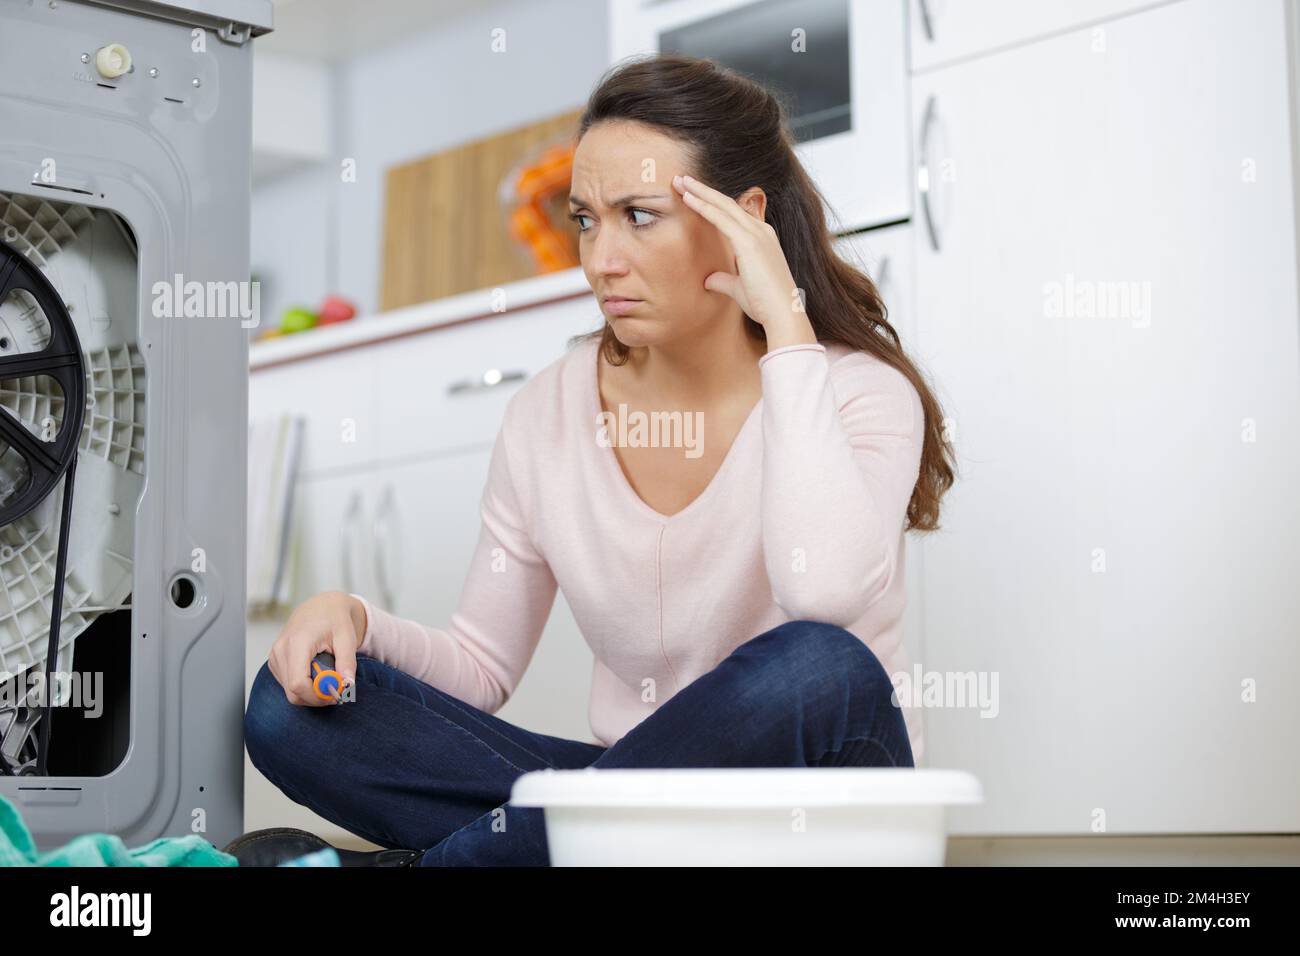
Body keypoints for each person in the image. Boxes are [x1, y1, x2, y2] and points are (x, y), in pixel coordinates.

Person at [240, 53, 956, 867]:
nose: (601, 259)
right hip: (636, 802)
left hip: (821, 813)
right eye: (587, 219)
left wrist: (787, 331)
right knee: (285, 709)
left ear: (742, 221)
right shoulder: (546, 412)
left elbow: (821, 591)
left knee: (821, 666)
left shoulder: (854, 392)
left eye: (640, 215)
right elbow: (479, 666)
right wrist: (354, 620)